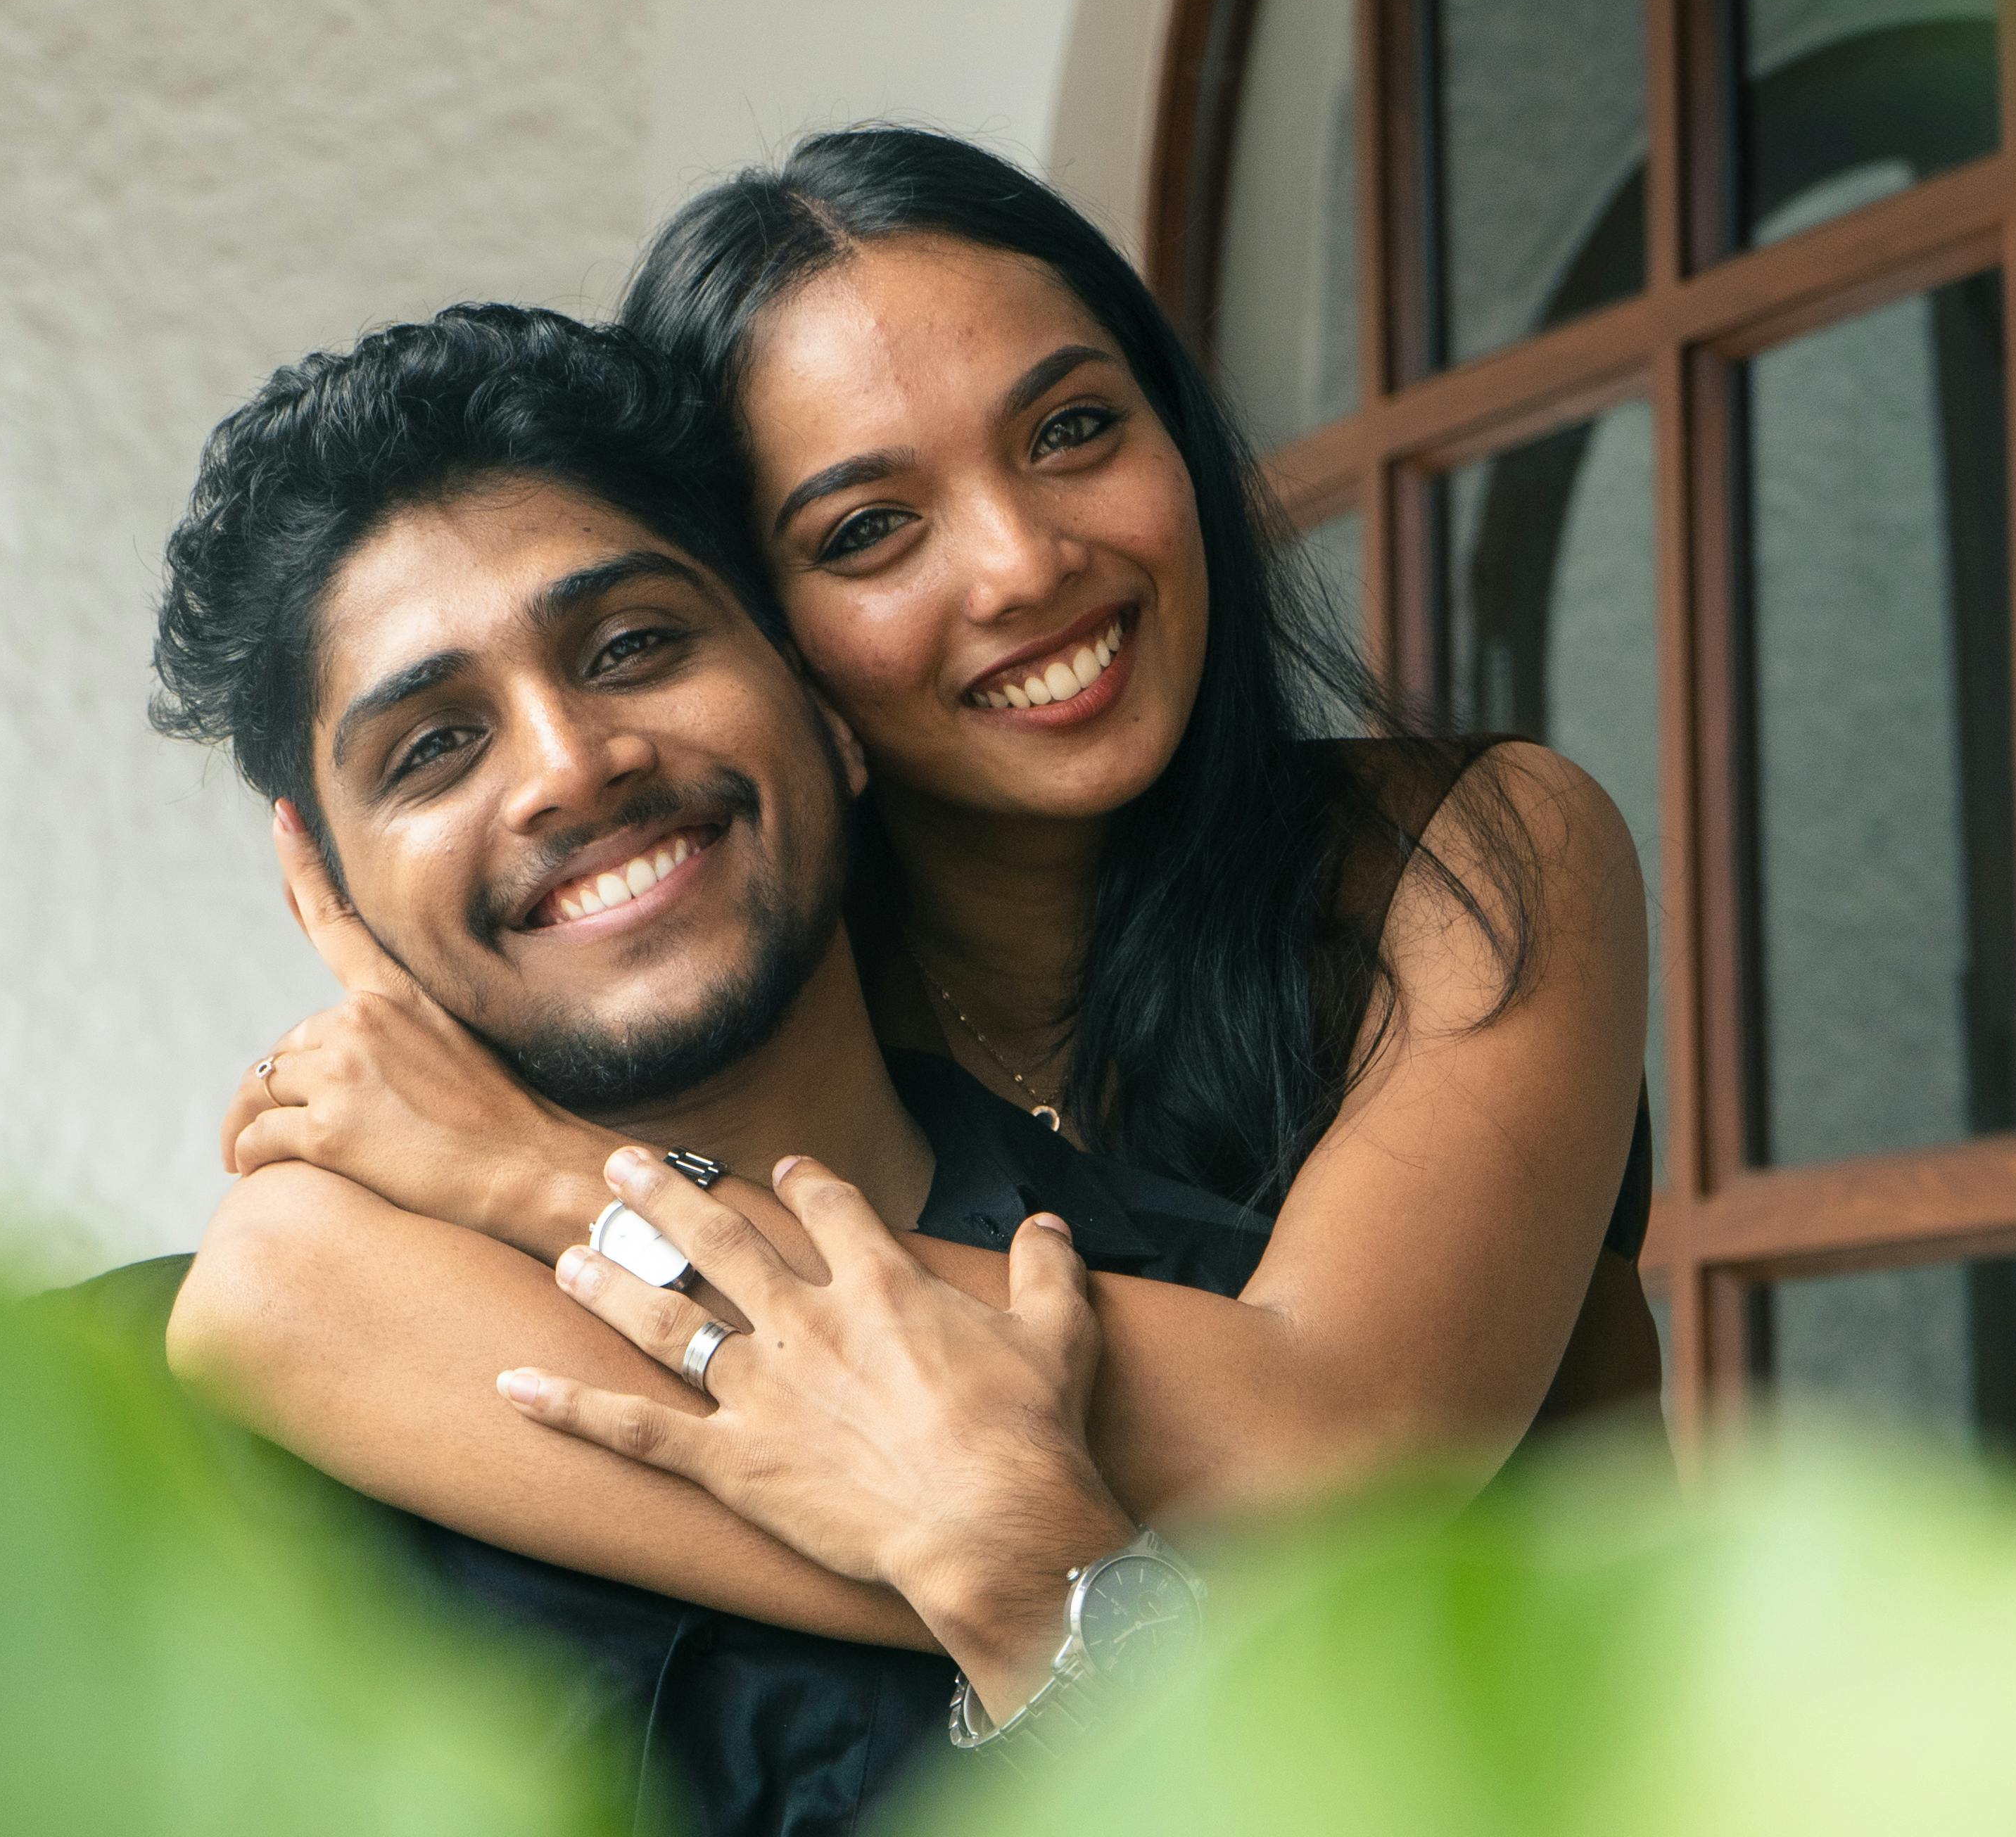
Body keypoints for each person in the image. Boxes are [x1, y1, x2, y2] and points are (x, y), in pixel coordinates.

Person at [183, 128, 1661, 1642]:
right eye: (870, 528)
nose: (1023, 562)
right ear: (767, 625)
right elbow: (279, 1288)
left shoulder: (1460, 855)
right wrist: (1028, 1578)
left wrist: (549, 1175)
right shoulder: (735, 970)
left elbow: (1342, 1446)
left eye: (1076, 428)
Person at [124, 303, 1251, 1836]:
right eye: (434, 745)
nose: (574, 763)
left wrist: (1049, 1592)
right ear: (331, 890)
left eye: (635, 645)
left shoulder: (1218, 1307)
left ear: (822, 706)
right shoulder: (174, 1475)